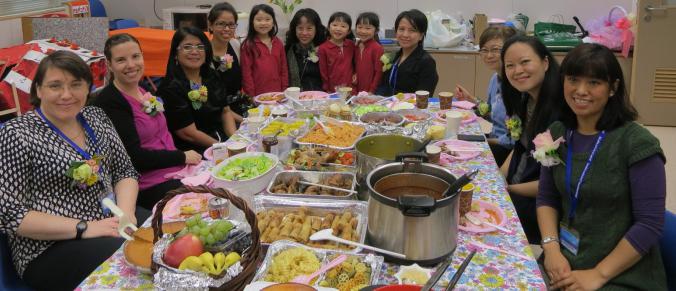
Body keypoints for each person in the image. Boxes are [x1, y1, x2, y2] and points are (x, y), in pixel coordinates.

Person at [0, 50, 148, 290]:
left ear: (88, 87)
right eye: (55, 85)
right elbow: (9, 213)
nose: (66, 95)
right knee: (130, 263)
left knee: (162, 232)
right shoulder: (17, 134)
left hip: (109, 221)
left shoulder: (95, 116)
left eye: (76, 85)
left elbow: (125, 171)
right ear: (38, 89)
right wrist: (85, 227)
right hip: (50, 247)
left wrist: (126, 214)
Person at [537, 43, 667, 290]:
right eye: (573, 79)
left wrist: (597, 274)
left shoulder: (637, 143)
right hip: (564, 260)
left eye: (594, 83)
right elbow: (547, 197)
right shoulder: (556, 133)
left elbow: (650, 224)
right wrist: (551, 248)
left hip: (620, 273)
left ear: (613, 88)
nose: (581, 90)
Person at [95, 33, 202, 210]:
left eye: (135, 56)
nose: (131, 65)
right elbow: (134, 158)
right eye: (121, 60)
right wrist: (182, 156)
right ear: (109, 65)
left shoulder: (142, 88)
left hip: (175, 168)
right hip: (149, 183)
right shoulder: (110, 102)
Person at [499, 35, 562, 244]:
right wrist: (498, 176)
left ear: (545, 62)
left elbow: (551, 182)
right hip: (517, 186)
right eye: (510, 65)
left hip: (538, 205)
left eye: (525, 62)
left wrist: (507, 190)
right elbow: (520, 147)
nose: (517, 71)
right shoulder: (525, 99)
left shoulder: (557, 114)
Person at [158, 26, 238, 152]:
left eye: (200, 47)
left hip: (221, 140)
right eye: (187, 47)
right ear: (175, 53)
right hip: (195, 152)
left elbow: (225, 111)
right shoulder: (171, 88)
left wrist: (235, 140)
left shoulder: (211, 75)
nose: (195, 52)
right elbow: (188, 133)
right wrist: (223, 148)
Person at [455, 26, 518, 166]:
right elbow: (490, 112)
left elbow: (514, 140)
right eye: (484, 50)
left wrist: (483, 141)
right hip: (494, 139)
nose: (489, 55)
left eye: (495, 49)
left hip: (509, 152)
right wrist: (470, 99)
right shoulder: (495, 78)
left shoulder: (518, 86)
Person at [377, 9, 438, 96]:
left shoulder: (426, 62)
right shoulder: (394, 57)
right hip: (389, 106)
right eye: (401, 29)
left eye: (412, 30)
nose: (405, 35)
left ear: (421, 35)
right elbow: (385, 86)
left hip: (410, 109)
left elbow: (423, 98)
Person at [208, 2, 252, 117]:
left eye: (231, 24)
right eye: (221, 24)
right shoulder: (204, 54)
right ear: (210, 25)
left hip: (238, 106)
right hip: (217, 112)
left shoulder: (235, 44)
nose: (227, 29)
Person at [240, 4, 289, 96]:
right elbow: (247, 74)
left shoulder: (278, 43)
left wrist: (284, 90)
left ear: (273, 22)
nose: (263, 23)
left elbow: (284, 69)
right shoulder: (248, 45)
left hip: (278, 94)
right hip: (258, 96)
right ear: (252, 22)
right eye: (259, 20)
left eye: (267, 19)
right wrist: (252, 96)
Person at [285, 8, 326, 91]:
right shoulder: (287, 51)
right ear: (294, 29)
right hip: (295, 98)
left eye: (309, 28)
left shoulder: (324, 49)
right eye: (300, 28)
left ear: (316, 29)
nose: (304, 33)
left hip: (321, 98)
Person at [318, 12, 355, 93]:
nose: (338, 29)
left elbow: (355, 63)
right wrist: (327, 90)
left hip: (351, 89)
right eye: (335, 25)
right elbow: (323, 73)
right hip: (333, 90)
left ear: (348, 31)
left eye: (343, 26)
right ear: (328, 27)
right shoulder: (323, 48)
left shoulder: (351, 45)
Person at [353, 12, 384, 94]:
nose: (363, 31)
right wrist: (354, 73)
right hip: (357, 89)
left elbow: (379, 72)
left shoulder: (377, 48)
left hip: (370, 91)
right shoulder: (356, 46)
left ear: (376, 30)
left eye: (368, 28)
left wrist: (372, 90)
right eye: (360, 27)